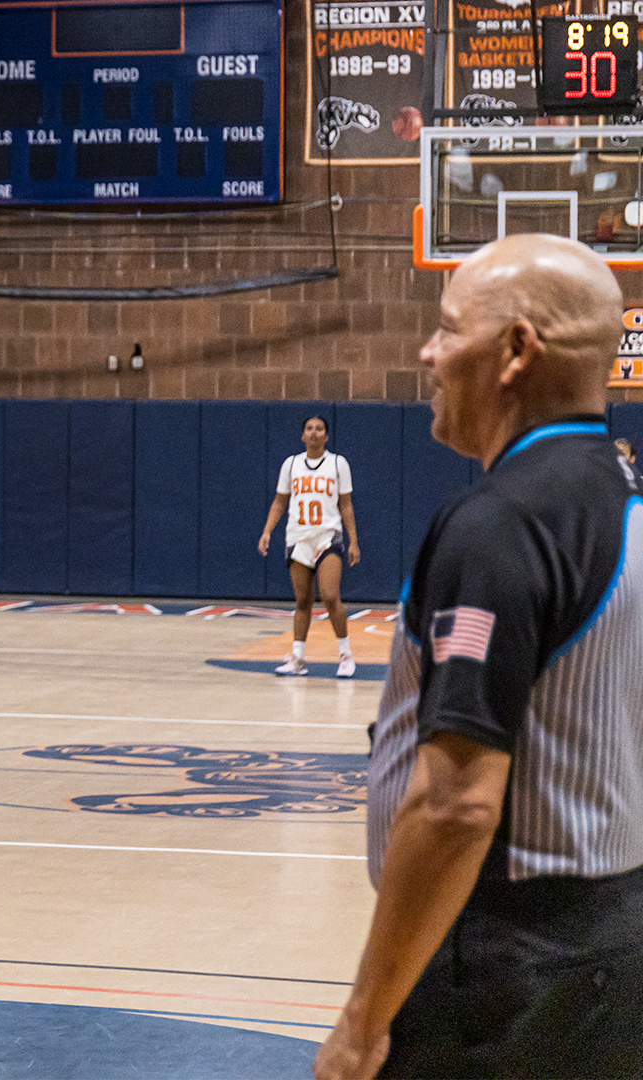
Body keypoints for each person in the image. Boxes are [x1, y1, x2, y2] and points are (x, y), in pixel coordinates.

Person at [316, 234, 643, 1079]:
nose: (428, 353)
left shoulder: (500, 525)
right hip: (610, 954)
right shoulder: (623, 500)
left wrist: (362, 1023)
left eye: (448, 328)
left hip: (503, 982)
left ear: (516, 350)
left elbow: (458, 804)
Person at [257, 416, 362, 678]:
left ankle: (346, 655)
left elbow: (346, 504)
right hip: (298, 537)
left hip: (328, 535)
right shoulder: (291, 464)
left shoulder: (338, 463)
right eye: (309, 428)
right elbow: (280, 502)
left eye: (319, 429)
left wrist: (353, 540)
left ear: (326, 436)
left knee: (330, 596)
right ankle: (298, 659)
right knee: (302, 600)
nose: (314, 433)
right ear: (302, 435)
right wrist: (267, 531)